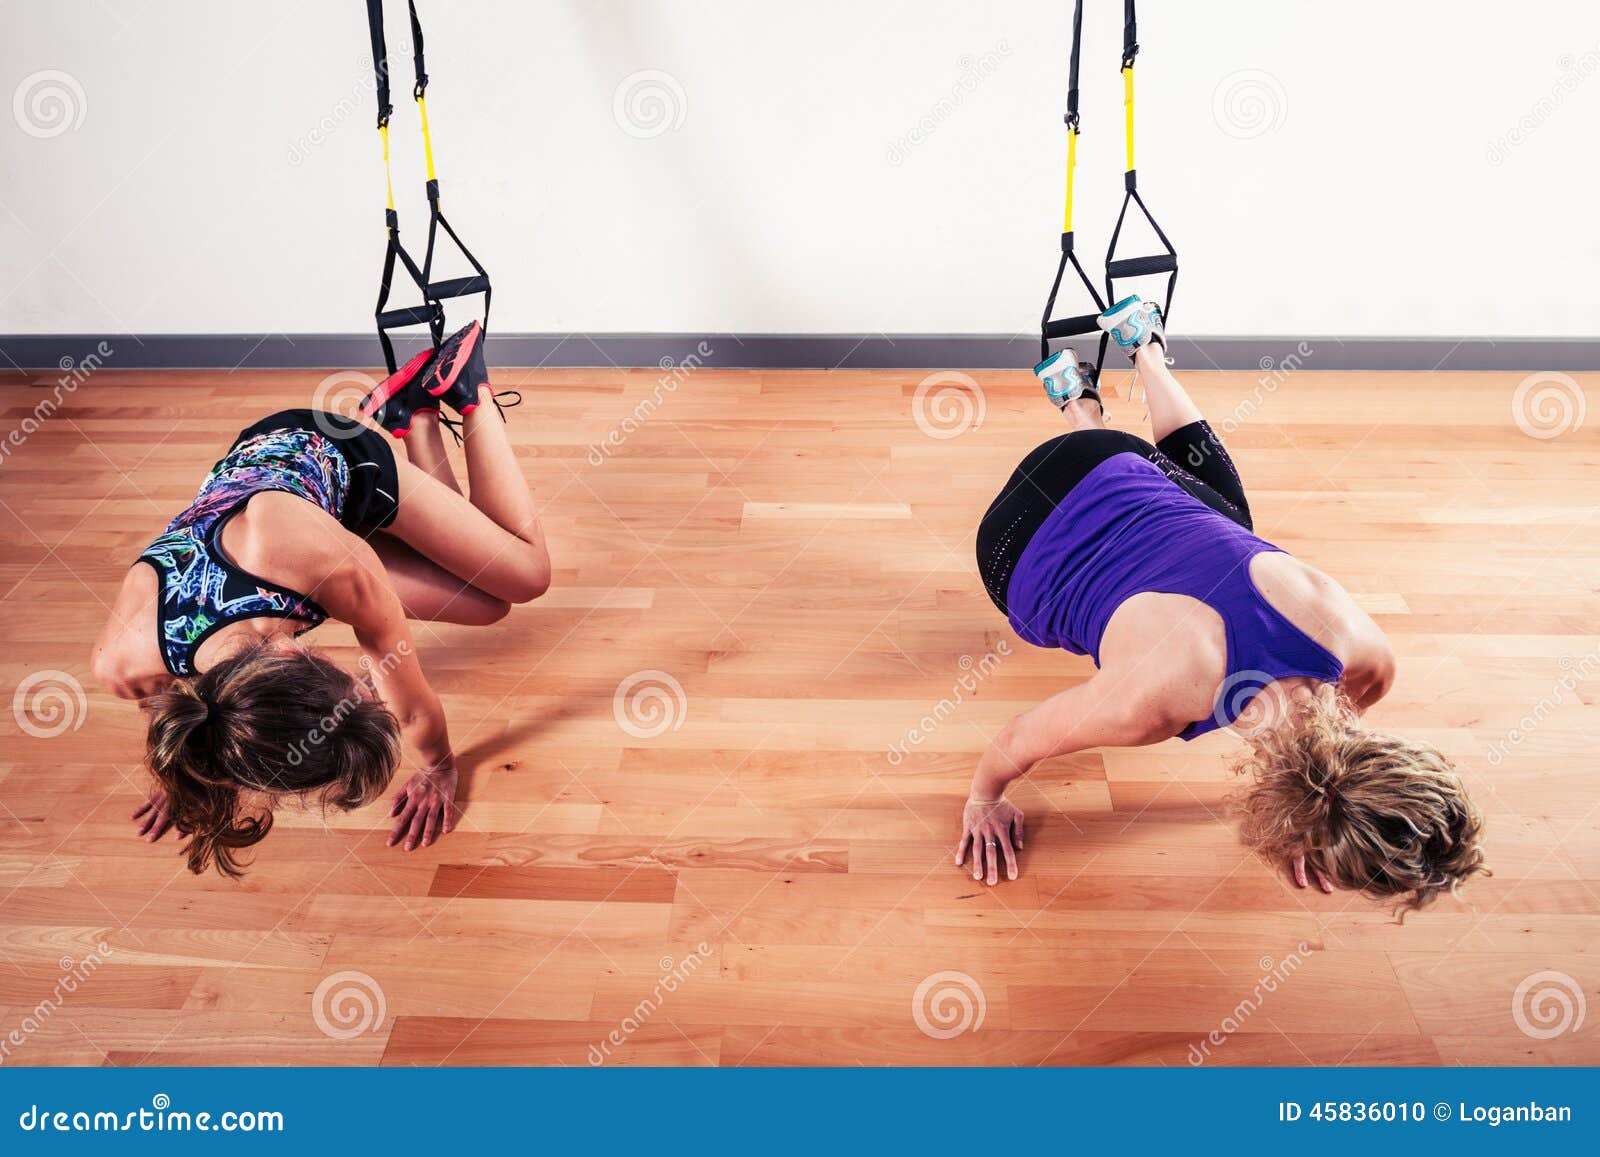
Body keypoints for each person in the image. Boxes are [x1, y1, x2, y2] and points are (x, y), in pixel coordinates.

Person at [961, 296, 1485, 907]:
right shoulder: (1152, 707)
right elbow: (1019, 737)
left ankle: (1133, 363)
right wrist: (984, 801)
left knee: (1228, 519)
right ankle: (1092, 397)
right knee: (1216, 526)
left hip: (1105, 462)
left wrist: (1320, 819)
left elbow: (1320, 729)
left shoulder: (1366, 658)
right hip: (1013, 552)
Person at [89, 321, 550, 876]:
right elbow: (163, 713)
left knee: (523, 579)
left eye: (356, 685)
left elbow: (413, 701)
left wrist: (441, 768)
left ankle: (467, 390)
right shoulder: (123, 665)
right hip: (294, 548)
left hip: (330, 454)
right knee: (484, 603)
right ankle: (415, 411)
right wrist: (186, 766)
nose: (371, 687)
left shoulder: (328, 567)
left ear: (288, 653)